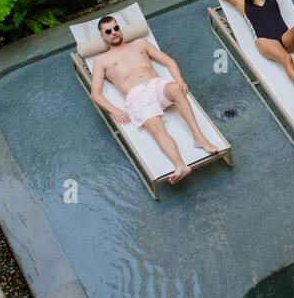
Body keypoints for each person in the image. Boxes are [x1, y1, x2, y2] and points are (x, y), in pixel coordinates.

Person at [90, 16, 219, 184]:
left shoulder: (140, 44)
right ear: (103, 36)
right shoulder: (101, 60)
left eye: (116, 28)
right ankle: (180, 165)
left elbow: (168, 61)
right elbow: (95, 94)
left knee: (175, 88)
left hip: (157, 85)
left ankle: (199, 138)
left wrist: (179, 81)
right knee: (156, 127)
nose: (114, 32)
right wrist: (115, 110)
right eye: (108, 31)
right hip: (137, 97)